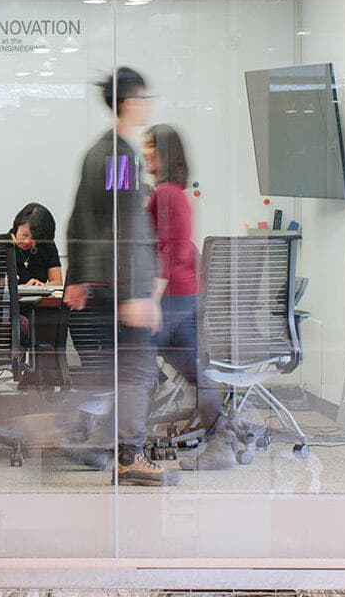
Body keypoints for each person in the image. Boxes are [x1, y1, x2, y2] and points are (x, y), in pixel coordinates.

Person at [64, 67, 178, 487]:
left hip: (106, 282)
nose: (150, 104)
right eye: (146, 97)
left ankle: (70, 429)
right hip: (119, 285)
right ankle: (128, 454)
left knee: (117, 370)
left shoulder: (104, 151)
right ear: (130, 102)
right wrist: (136, 293)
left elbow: (78, 217)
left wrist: (76, 277)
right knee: (136, 371)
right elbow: (124, 222)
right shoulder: (119, 156)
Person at [143, 124, 230, 471]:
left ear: (163, 152)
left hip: (170, 295)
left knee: (130, 359)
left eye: (149, 146)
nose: (144, 152)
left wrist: (152, 298)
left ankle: (122, 442)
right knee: (196, 372)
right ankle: (219, 444)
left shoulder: (164, 194)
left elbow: (168, 250)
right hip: (187, 293)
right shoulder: (175, 192)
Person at [0, 202, 64, 286]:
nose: (27, 242)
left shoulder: (47, 246)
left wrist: (41, 287)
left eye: (35, 239)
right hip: (6, 297)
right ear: (18, 225)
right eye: (25, 235)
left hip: (38, 298)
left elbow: (57, 282)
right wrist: (4, 282)